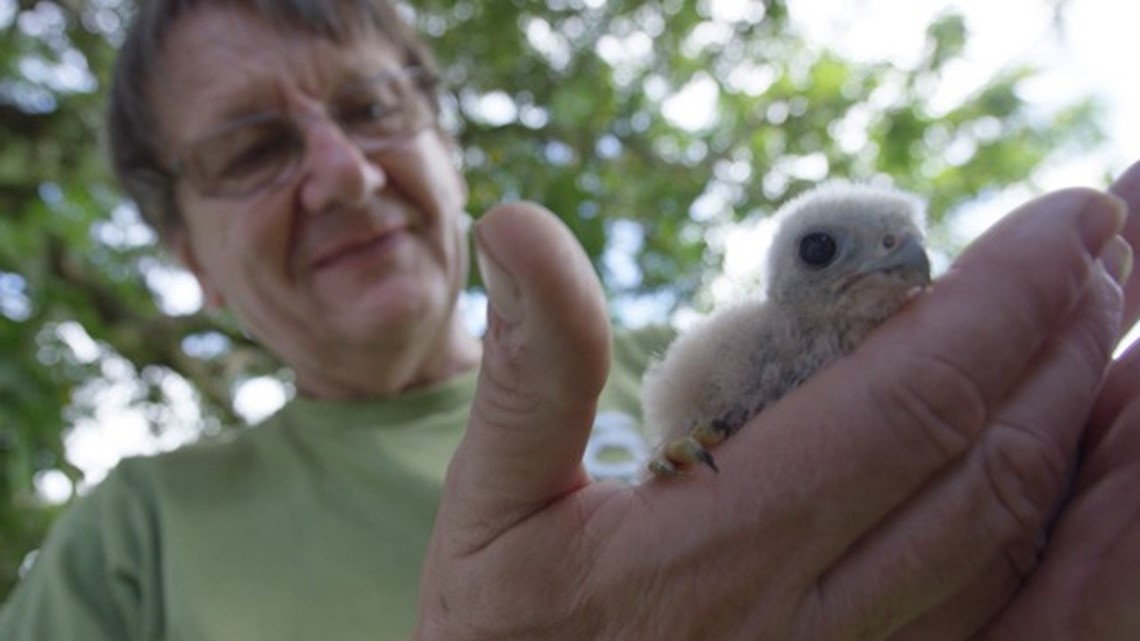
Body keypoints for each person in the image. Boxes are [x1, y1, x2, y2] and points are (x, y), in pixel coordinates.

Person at [1, 0, 1138, 638]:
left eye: (371, 105)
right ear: (186, 256)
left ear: (446, 143)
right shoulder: (130, 544)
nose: (343, 173)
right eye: (253, 150)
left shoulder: (702, 365)